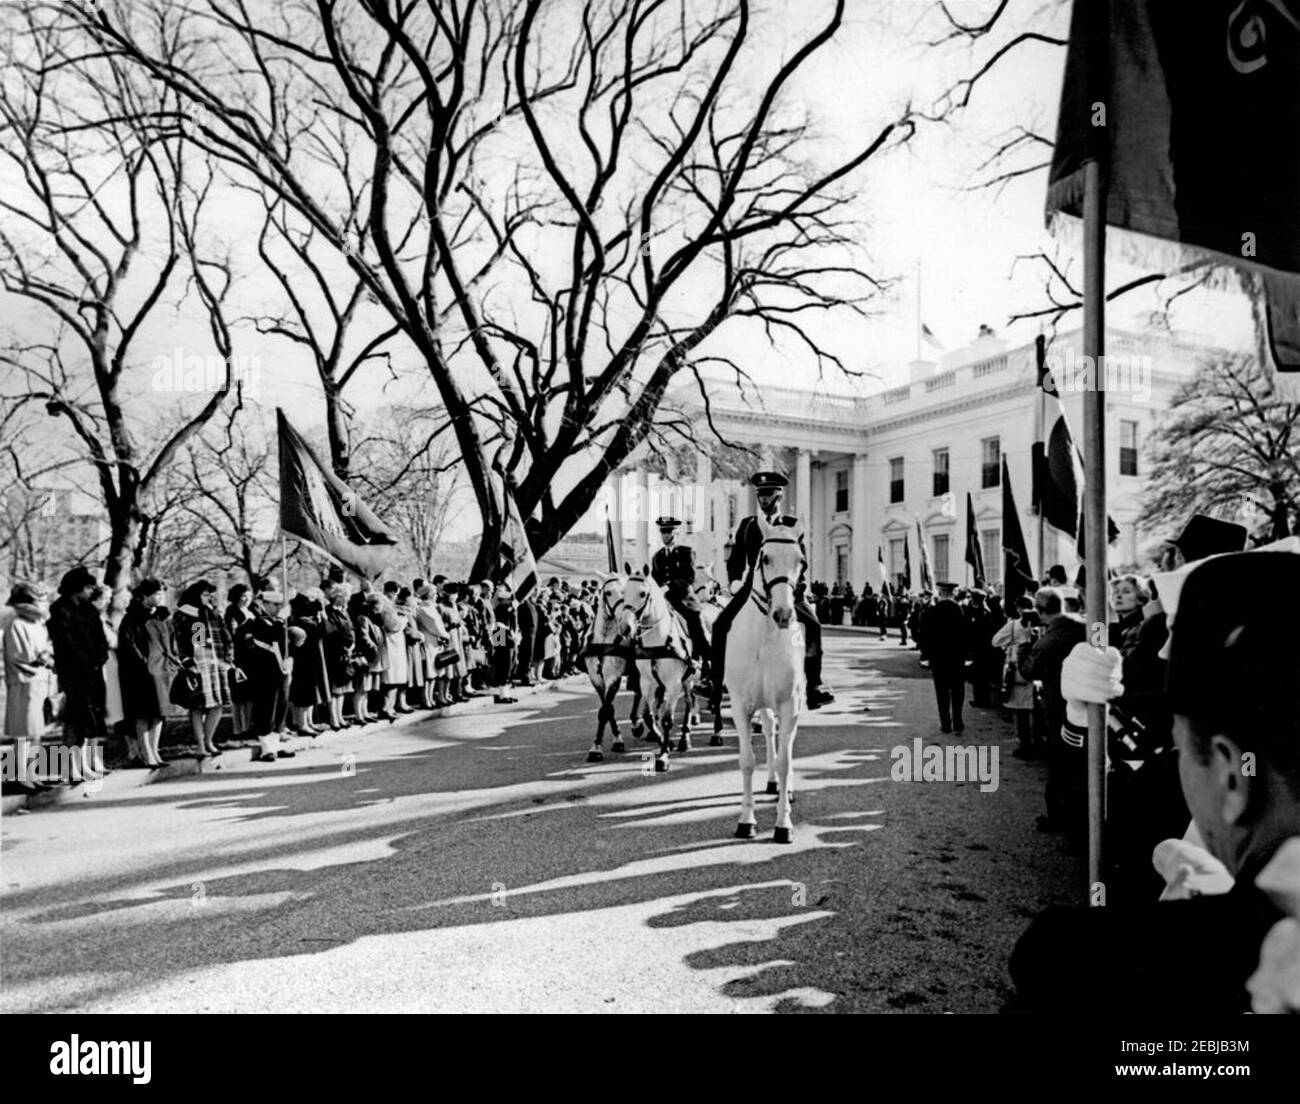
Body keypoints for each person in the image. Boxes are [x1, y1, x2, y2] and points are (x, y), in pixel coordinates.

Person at [1007, 551, 1300, 1014]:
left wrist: (1181, 938)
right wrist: (1082, 721)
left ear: (1228, 773)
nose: (1162, 649)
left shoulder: (1089, 963)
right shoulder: (1172, 783)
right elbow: (1091, 810)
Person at [710, 472, 834, 709]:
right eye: (760, 494)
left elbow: (801, 561)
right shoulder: (748, 525)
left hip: (787, 589)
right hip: (751, 589)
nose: (764, 499)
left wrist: (798, 588)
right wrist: (735, 580)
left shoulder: (792, 525)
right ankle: (714, 683)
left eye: (768, 494)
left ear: (779, 496)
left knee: (811, 626)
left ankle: (814, 685)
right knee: (720, 625)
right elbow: (735, 559)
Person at [1020, 586, 1088, 848]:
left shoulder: (1047, 641)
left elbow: (1029, 671)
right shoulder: (1084, 626)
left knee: (1061, 763)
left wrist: (1025, 643)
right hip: (1086, 703)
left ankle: (1062, 820)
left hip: (1060, 707)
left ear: (1040, 610)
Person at [46, 566, 109, 781]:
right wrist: (85, 661)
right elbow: (66, 644)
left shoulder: (89, 611)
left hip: (93, 671)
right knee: (74, 720)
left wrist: (99, 658)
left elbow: (101, 639)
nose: (92, 591)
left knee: (89, 719)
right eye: (88, 587)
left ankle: (83, 763)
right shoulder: (60, 611)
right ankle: (68, 765)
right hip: (73, 673)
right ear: (78, 588)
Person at [234, 584, 296, 763]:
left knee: (280, 708)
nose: (278, 609)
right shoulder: (257, 622)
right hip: (264, 672)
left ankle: (276, 743)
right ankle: (266, 747)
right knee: (266, 709)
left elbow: (286, 643)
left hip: (281, 670)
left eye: (279, 606)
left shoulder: (278, 622)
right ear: (264, 604)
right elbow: (272, 636)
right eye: (275, 605)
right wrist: (281, 622)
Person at [173, 580, 235, 757]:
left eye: (211, 595)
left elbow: (226, 636)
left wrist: (229, 658)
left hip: (217, 664)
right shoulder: (187, 614)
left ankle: (209, 740)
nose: (209, 598)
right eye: (206, 594)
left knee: (217, 705)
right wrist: (188, 662)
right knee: (198, 706)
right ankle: (200, 744)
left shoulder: (212, 613)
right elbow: (195, 641)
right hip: (199, 665)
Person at [651, 517, 711, 690]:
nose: (666, 535)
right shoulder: (658, 557)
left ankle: (705, 663)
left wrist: (668, 587)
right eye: (663, 531)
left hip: (684, 599)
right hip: (664, 601)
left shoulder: (686, 552)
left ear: (676, 533)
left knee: (695, 622)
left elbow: (688, 578)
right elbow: (655, 579)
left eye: (669, 531)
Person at [116, 579, 171, 768]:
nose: (161, 597)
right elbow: (129, 645)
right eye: (157, 593)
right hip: (140, 672)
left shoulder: (162, 617)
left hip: (161, 670)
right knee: (142, 714)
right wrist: (144, 663)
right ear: (144, 596)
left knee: (159, 713)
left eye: (163, 593)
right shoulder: (132, 618)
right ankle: (146, 753)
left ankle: (155, 751)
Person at [3, 581, 54, 740]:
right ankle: (20, 765)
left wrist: (49, 653)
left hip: (39, 681)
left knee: (36, 731)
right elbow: (21, 654)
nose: (45, 603)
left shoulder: (39, 624)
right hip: (23, 682)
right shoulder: (16, 624)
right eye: (41, 599)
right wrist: (44, 657)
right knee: (24, 731)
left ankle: (33, 764)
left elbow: (48, 645)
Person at [992, 596, 1040, 758]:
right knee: (1036, 710)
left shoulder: (1013, 626)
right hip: (1038, 670)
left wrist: (1011, 644)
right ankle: (1037, 743)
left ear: (1019, 609)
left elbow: (996, 641)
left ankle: (1024, 744)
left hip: (1018, 669)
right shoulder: (1041, 626)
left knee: (1020, 711)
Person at [920, 580, 969, 734]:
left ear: (940, 593)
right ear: (953, 593)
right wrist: (967, 655)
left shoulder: (931, 612)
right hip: (957, 658)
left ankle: (946, 723)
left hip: (938, 658)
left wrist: (926, 656)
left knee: (942, 692)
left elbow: (925, 636)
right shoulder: (961, 611)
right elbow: (967, 636)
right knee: (957, 691)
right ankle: (958, 721)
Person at [225, 584, 255, 739]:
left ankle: (248, 725)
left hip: (251, 655)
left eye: (249, 596)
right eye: (243, 596)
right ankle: (238, 728)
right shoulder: (231, 612)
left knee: (249, 694)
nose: (246, 599)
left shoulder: (250, 611)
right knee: (239, 695)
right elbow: (231, 634)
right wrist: (248, 633)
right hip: (239, 656)